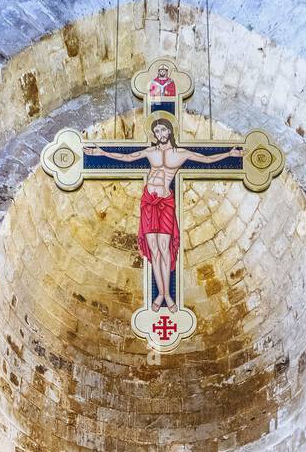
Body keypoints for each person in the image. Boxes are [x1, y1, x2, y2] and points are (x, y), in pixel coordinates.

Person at [86, 120, 242, 310]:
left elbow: (206, 159)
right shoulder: (151, 152)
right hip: (149, 201)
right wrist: (102, 152)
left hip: (165, 202)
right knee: (153, 249)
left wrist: (229, 153)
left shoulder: (181, 154)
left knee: (164, 247)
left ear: (170, 130)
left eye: (163, 129)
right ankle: (161, 294)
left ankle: (167, 294)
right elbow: (127, 157)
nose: (160, 133)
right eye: (157, 131)